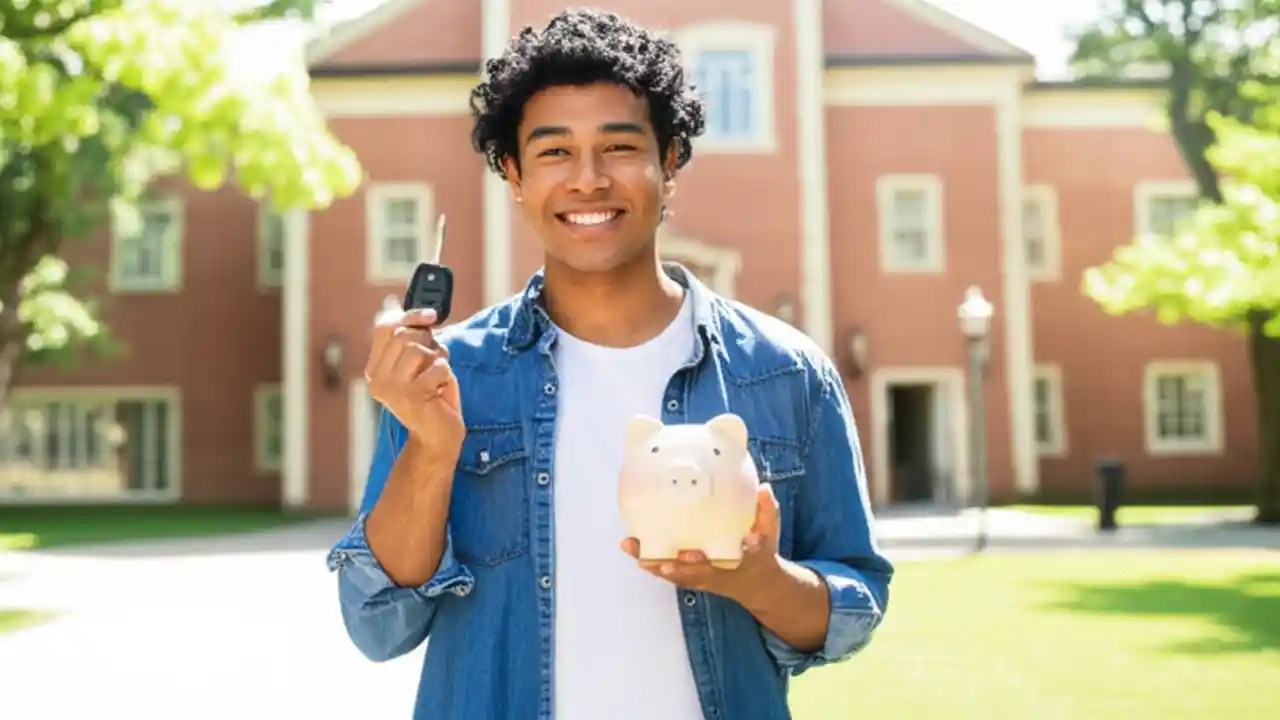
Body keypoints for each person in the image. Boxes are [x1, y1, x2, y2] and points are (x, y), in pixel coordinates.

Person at [327, 8, 893, 719]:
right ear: (514, 174)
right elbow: (379, 624)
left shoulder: (788, 374)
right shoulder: (447, 375)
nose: (589, 181)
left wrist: (761, 580)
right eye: (555, 152)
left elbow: (855, 604)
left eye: (620, 148)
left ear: (672, 160)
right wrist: (434, 451)